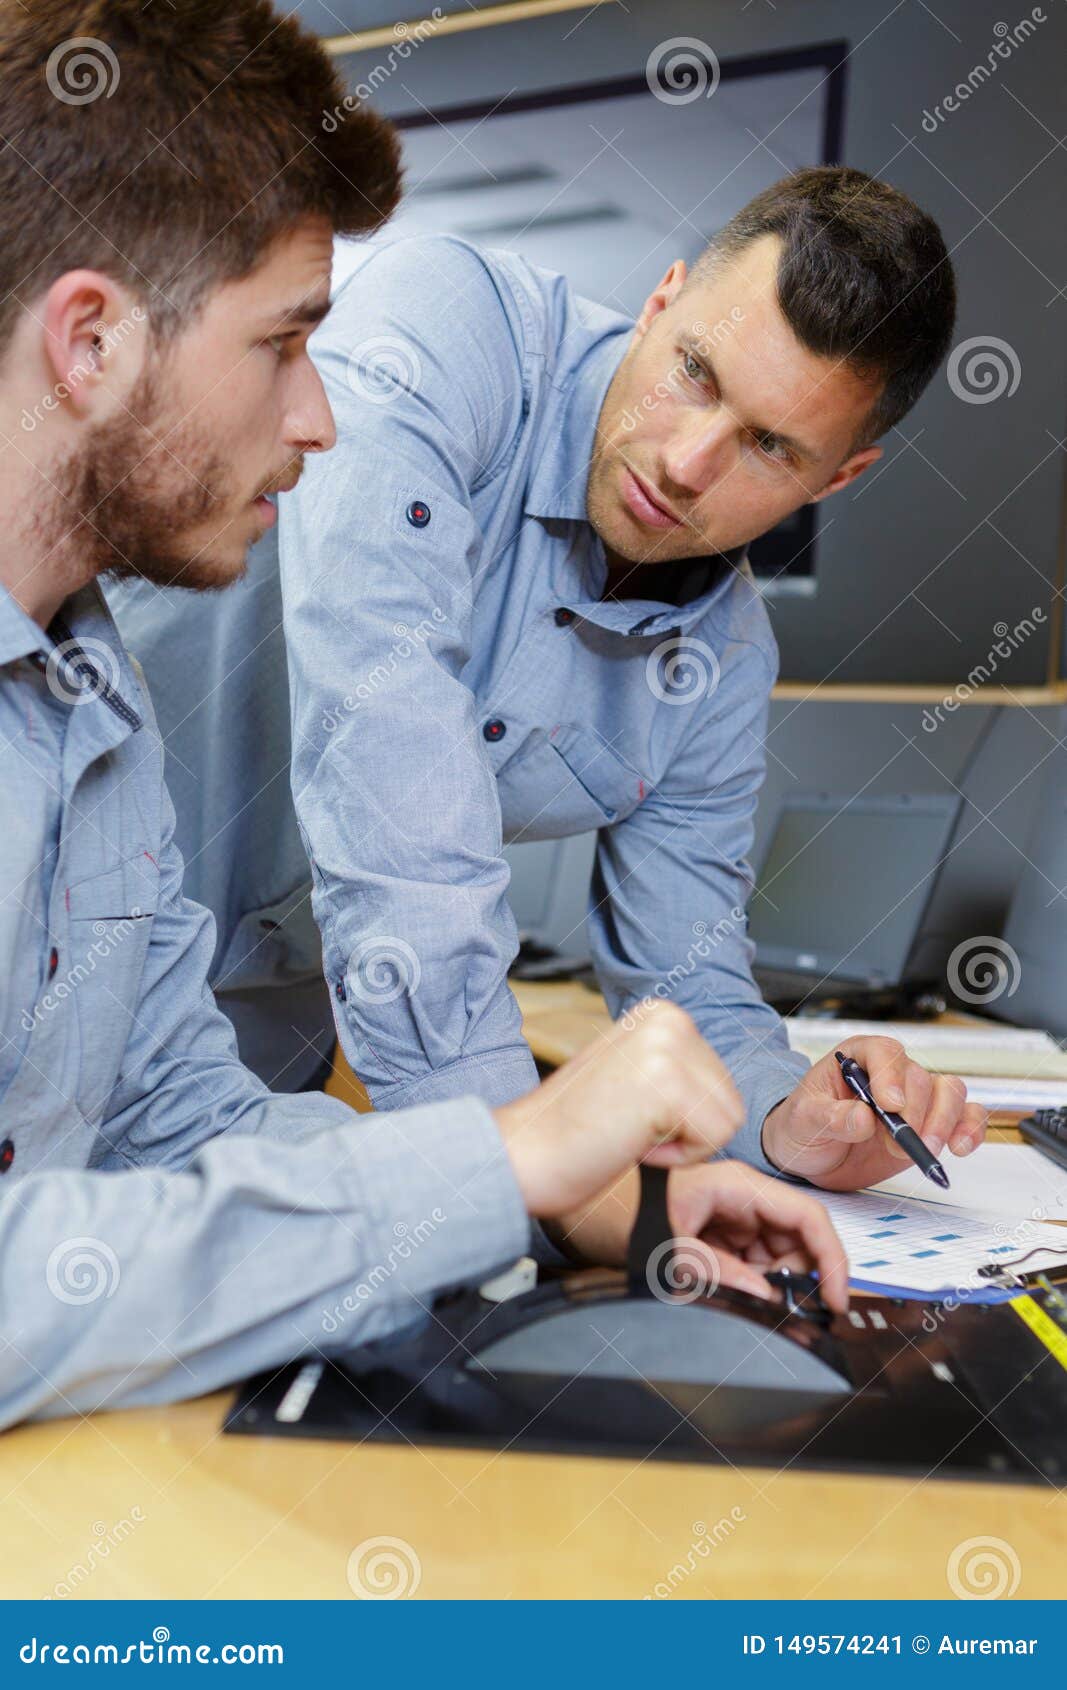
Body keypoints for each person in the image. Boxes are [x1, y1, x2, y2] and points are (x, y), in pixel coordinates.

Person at [0, 0, 852, 1431]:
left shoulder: (93, 699)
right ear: (90, 341)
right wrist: (497, 1163)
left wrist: (561, 1191)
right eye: (283, 344)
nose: (321, 418)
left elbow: (178, 1130)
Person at [112, 168, 987, 1192]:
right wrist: (517, 1180)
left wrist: (789, 1117)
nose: (686, 463)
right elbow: (392, 796)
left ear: (836, 479)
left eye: (767, 445)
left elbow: (686, 976)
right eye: (695, 373)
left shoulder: (720, 664)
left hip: (244, 1076)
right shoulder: (443, 328)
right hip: (51, 984)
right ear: (657, 305)